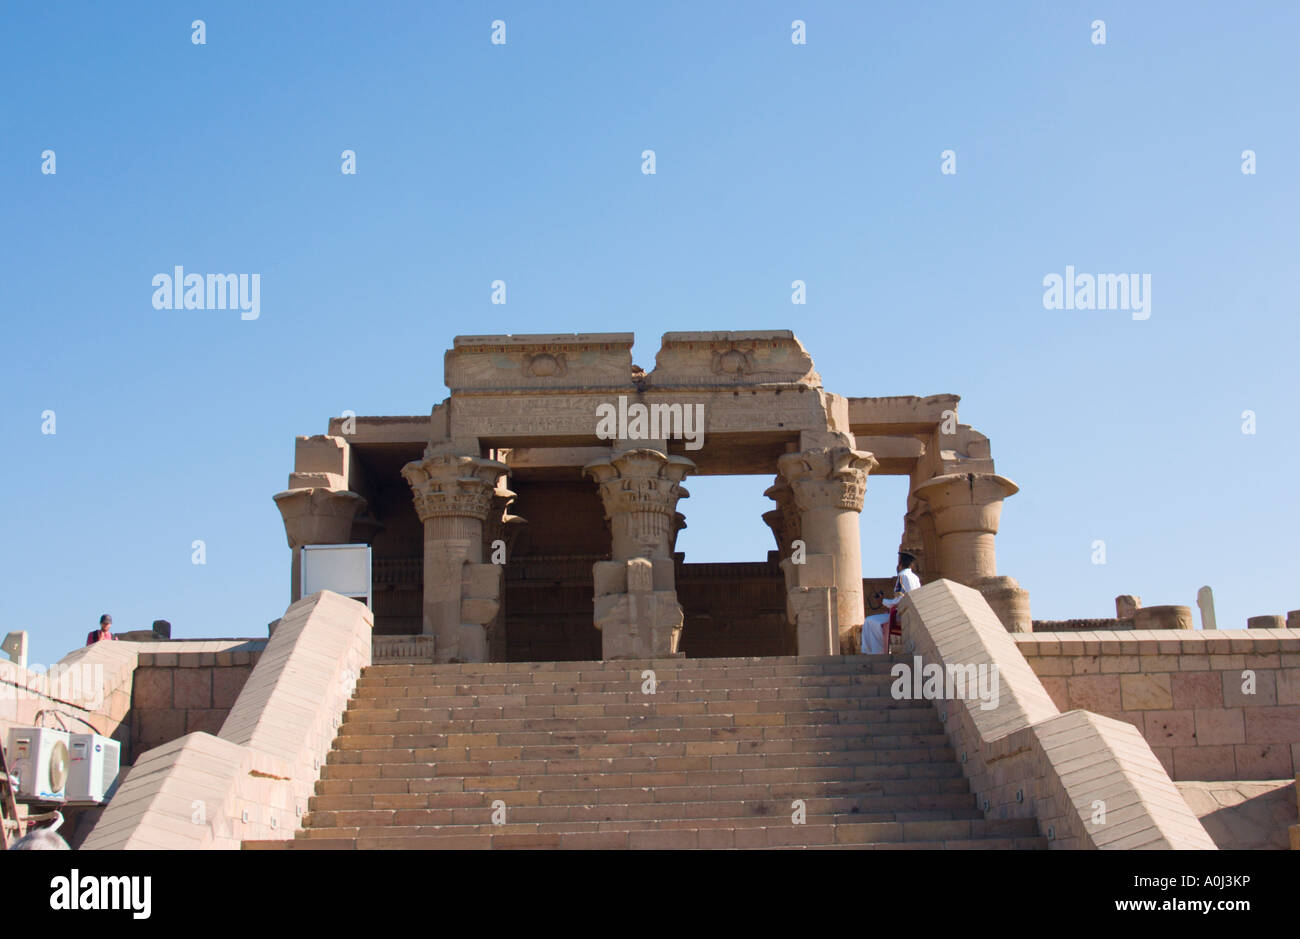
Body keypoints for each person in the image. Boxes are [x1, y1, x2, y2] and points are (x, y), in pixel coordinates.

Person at [861, 552, 921, 654]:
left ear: (900, 564)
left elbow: (899, 600)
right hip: (912, 615)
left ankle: (875, 652)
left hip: (901, 617)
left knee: (869, 621)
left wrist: (882, 601)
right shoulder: (915, 578)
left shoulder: (902, 576)